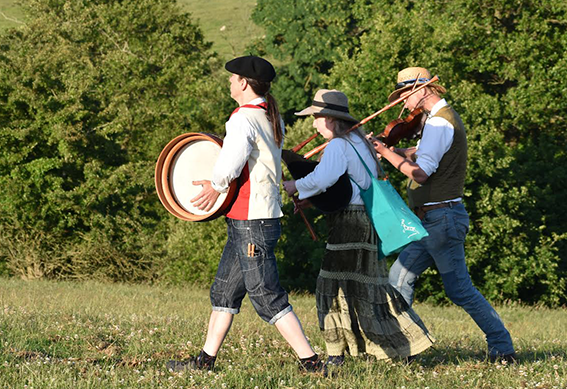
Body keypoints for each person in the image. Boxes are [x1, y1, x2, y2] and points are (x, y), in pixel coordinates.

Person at [167, 56, 323, 373]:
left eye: (232, 78)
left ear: (243, 83)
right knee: (224, 291)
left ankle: (311, 363)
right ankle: (204, 362)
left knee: (265, 294)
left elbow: (232, 159)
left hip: (252, 219)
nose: (229, 82)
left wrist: (215, 185)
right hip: (251, 218)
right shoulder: (269, 115)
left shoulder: (243, 118)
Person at [368, 66, 517, 363]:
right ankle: (405, 347)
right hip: (430, 222)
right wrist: (386, 147)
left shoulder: (438, 124)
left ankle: (503, 347)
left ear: (422, 90)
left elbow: (421, 173)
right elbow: (423, 153)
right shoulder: (436, 122)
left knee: (459, 290)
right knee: (398, 279)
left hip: (442, 220)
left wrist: (386, 154)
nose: (402, 103)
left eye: (404, 96)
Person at [282, 89, 434, 373]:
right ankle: (406, 346)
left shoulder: (339, 145)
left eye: (316, 117)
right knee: (368, 286)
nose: (314, 124)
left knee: (331, 286)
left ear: (329, 119)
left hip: (348, 224)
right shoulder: (359, 143)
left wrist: (296, 186)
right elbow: (346, 185)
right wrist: (311, 196)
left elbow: (325, 178)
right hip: (364, 220)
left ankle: (337, 354)